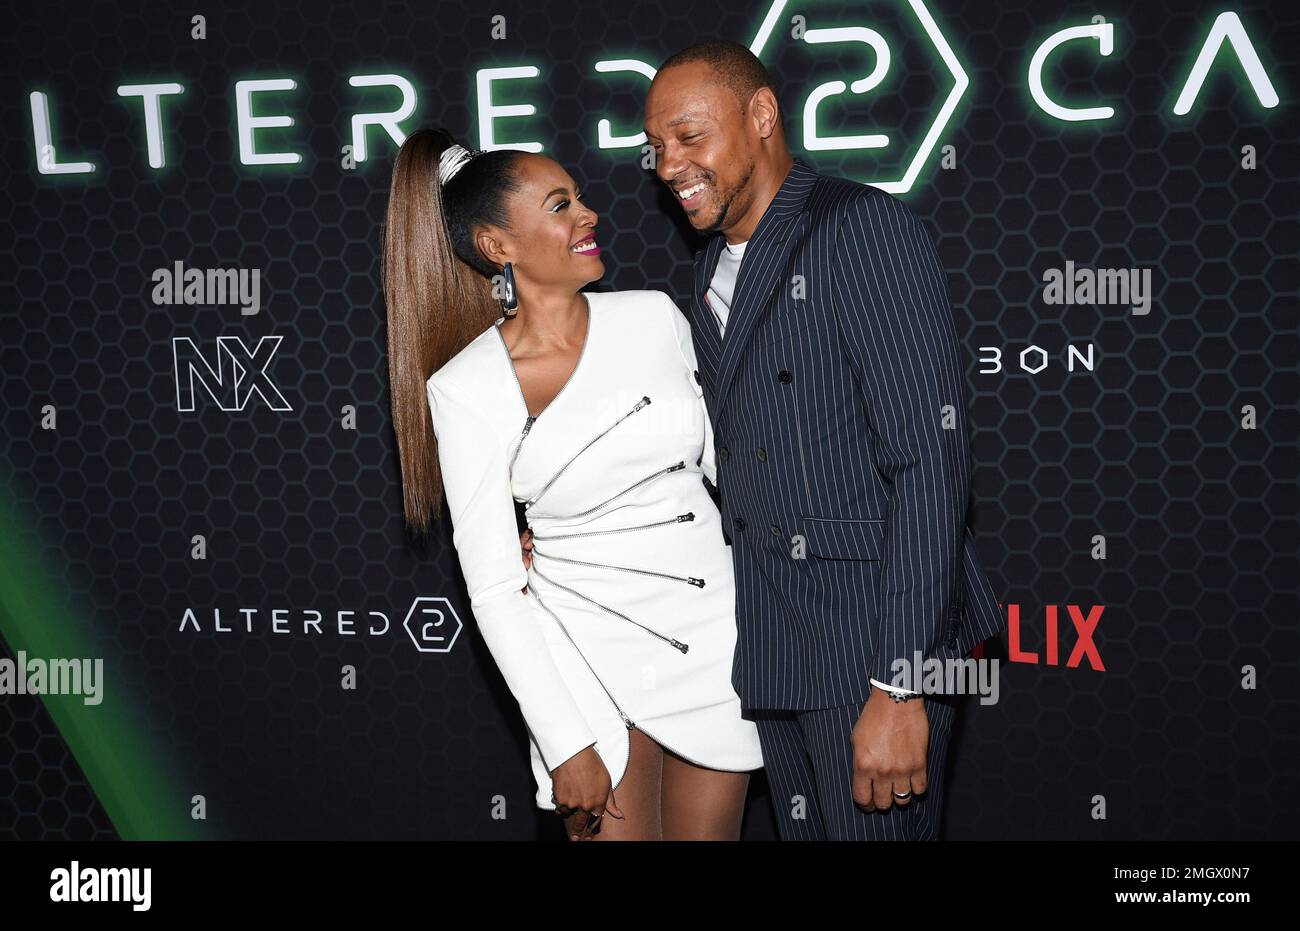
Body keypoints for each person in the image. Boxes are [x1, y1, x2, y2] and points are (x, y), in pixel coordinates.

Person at [641, 40, 1007, 840]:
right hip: (776, 646)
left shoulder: (859, 228)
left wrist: (900, 682)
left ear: (762, 115)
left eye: (690, 136)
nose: (669, 164)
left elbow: (929, 463)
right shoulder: (706, 273)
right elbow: (726, 457)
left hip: (870, 640)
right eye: (656, 146)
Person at [382, 127, 763, 841]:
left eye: (580, 198)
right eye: (561, 205)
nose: (588, 215)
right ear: (499, 246)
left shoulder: (654, 316)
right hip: (582, 653)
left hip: (715, 634)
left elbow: (733, 475)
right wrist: (564, 741)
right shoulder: (465, 388)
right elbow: (494, 588)